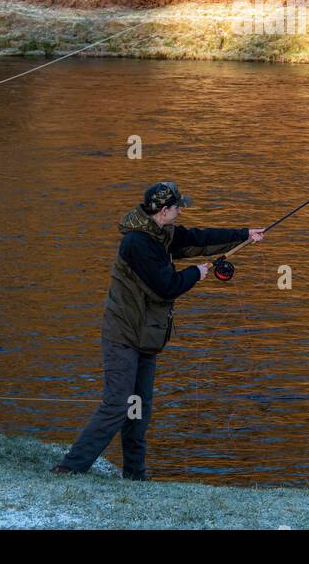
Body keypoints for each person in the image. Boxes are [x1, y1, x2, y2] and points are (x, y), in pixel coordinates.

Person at [52, 181, 265, 481]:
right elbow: (165, 287)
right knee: (118, 404)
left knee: (139, 410)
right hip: (123, 336)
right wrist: (196, 273)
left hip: (146, 337)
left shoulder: (161, 232)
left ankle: (136, 477)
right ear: (164, 211)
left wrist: (243, 235)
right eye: (178, 208)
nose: (180, 212)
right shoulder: (137, 244)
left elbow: (198, 239)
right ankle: (69, 468)